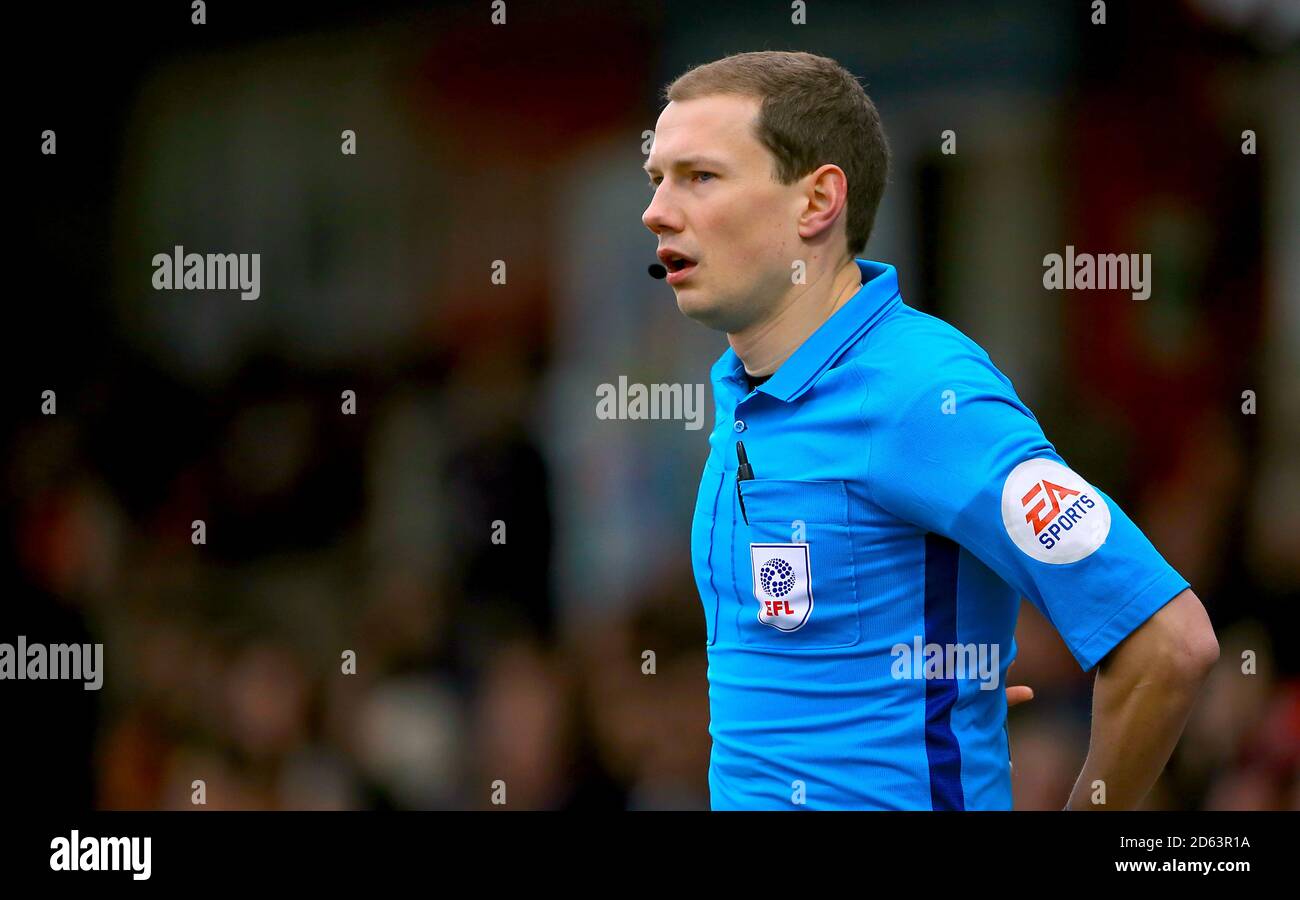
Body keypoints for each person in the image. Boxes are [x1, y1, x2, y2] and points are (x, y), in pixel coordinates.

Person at [641, 50, 1218, 810]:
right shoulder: (746, 391)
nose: (656, 211)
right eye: (658, 178)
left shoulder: (923, 393)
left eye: (700, 177)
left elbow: (1169, 645)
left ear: (817, 203)